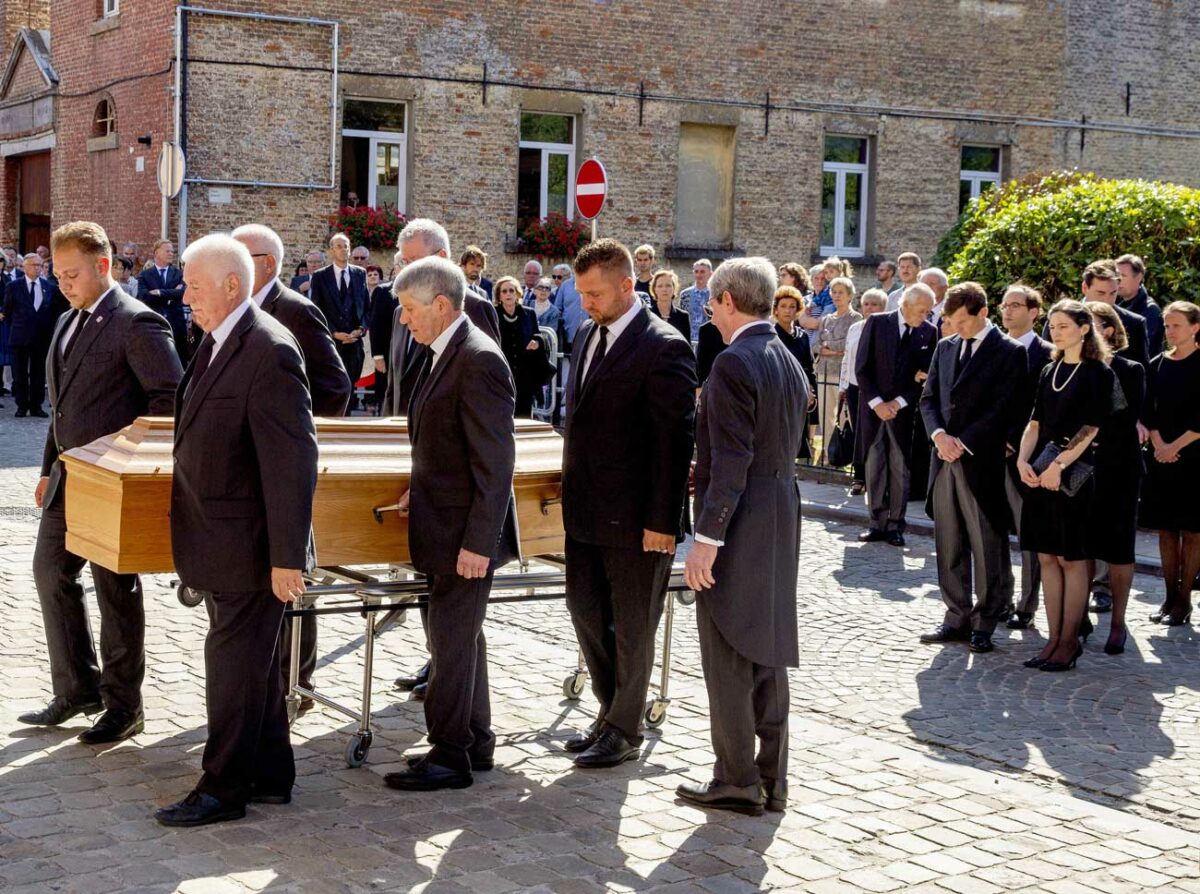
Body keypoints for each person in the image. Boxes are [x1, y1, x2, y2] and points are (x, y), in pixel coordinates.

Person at [157, 233, 318, 827]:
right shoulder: (217, 339)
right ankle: (271, 773)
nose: (185, 296)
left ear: (231, 285)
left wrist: (286, 558)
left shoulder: (269, 349)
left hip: (251, 548)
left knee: (233, 666)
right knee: (251, 663)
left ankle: (222, 788)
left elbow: (292, 461)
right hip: (219, 539)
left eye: (194, 286)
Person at [18, 221, 182, 743]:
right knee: (50, 573)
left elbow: (168, 402)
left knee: (115, 589)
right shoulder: (68, 321)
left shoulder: (138, 323)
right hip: (69, 479)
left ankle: (123, 703)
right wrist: (48, 468)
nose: (63, 283)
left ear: (104, 267)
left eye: (72, 274)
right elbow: (62, 408)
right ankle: (76, 689)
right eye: (58, 274)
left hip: (114, 484)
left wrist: (126, 463)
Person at [677, 257, 808, 817]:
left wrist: (706, 538)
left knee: (729, 647)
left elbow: (733, 459)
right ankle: (772, 779)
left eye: (712, 300)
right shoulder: (784, 354)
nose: (708, 308)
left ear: (729, 300)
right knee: (768, 646)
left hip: (742, 516)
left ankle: (735, 778)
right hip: (780, 510)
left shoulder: (734, 360)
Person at [381, 256, 517, 792]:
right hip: (443, 526)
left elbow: (495, 462)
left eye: (410, 310)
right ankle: (474, 740)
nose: (404, 321)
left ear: (441, 305)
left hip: (465, 538)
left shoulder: (479, 359)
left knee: (451, 644)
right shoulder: (442, 353)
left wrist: (479, 542)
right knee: (460, 640)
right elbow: (445, 441)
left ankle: (449, 755)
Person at [561, 238, 696, 768]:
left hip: (640, 518)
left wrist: (662, 520)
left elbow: (673, 439)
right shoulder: (586, 334)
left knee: (635, 624)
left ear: (625, 285)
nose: (586, 303)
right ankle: (612, 709)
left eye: (594, 294)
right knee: (584, 610)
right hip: (586, 510)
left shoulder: (664, 345)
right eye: (581, 294)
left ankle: (624, 727)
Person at [384, 219, 502, 698]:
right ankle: (462, 720)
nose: (404, 316)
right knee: (447, 622)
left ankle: (455, 732)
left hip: (463, 516)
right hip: (433, 495)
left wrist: (480, 539)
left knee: (459, 628)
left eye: (415, 264)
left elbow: (490, 448)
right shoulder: (424, 327)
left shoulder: (473, 337)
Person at [918, 282, 1026, 652]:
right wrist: (939, 437)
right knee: (948, 542)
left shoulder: (1009, 352)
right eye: (951, 321)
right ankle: (956, 615)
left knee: (987, 544)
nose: (956, 328)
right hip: (944, 458)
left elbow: (1006, 408)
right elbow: (929, 398)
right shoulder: (945, 347)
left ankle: (986, 619)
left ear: (982, 313)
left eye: (963, 321)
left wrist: (962, 442)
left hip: (982, 461)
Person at [1016, 300, 1115, 672]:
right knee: (1046, 556)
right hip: (1042, 471)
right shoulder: (1048, 370)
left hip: (1076, 474)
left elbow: (1091, 429)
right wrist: (1023, 460)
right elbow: (1035, 423)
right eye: (1053, 327)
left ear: (1084, 329)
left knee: (1072, 559)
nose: (1055, 332)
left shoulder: (1097, 374)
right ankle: (1052, 639)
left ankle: (1070, 641)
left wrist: (1058, 465)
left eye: (1063, 326)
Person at [382, 219, 501, 420]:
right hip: (400, 435)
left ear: (441, 257)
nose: (406, 269)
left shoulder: (474, 308)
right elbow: (394, 383)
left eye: (413, 262)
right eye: (404, 262)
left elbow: (486, 388)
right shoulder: (401, 312)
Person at [231, 225, 351, 418]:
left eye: (239, 259)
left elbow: (335, 387)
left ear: (268, 263)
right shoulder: (237, 307)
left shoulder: (298, 312)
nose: (231, 268)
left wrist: (299, 436)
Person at [854, 284, 937, 546]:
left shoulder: (929, 332)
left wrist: (899, 403)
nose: (925, 316)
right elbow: (862, 368)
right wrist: (878, 403)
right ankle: (876, 522)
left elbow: (925, 377)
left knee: (900, 468)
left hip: (903, 413)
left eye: (928, 311)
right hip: (873, 411)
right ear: (906, 304)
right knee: (875, 465)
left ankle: (895, 526)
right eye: (922, 310)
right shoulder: (877, 323)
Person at [1086, 302, 1145, 654]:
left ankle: (1119, 622)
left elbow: (1124, 420)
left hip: (1120, 470)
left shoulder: (1131, 369)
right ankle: (1077, 619)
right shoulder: (1074, 366)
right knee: (1081, 547)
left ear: (1108, 329)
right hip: (1081, 470)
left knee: (1119, 549)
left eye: (1089, 323)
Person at [1140, 301, 1200, 627]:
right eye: (1166, 325)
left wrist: (1174, 446)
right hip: (1162, 456)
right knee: (1166, 529)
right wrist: (1160, 444)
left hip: (1194, 457)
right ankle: (1167, 596)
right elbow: (1148, 410)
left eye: (1177, 325)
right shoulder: (1156, 364)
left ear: (1195, 327)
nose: (1170, 331)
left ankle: (1185, 599)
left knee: (1192, 531)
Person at [999, 284, 1054, 630]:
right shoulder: (993, 348)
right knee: (993, 532)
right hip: (987, 454)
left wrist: (1014, 443)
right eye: (1004, 305)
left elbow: (1041, 409)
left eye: (1016, 305)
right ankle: (999, 598)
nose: (1007, 311)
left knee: (1029, 534)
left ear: (1034, 313)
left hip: (1027, 458)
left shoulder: (1049, 353)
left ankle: (1027, 603)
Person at [309, 234, 368, 414]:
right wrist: (334, 333)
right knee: (333, 387)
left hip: (354, 343)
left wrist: (360, 330)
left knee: (350, 386)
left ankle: (347, 426)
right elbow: (316, 310)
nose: (344, 249)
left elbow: (365, 306)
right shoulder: (320, 276)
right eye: (339, 246)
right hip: (331, 343)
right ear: (331, 250)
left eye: (346, 246)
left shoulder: (360, 274)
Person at [840, 288, 888, 495]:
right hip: (854, 386)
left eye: (874, 304)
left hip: (877, 389)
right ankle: (858, 476)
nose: (869, 307)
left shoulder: (888, 328)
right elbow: (847, 358)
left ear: (884, 307)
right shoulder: (855, 328)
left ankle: (876, 476)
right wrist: (843, 386)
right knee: (858, 431)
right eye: (866, 303)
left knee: (875, 433)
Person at [2, 253, 63, 417]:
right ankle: (21, 405)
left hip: (41, 337)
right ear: (25, 267)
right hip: (20, 336)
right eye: (34, 265)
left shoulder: (48, 286)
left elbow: (54, 310)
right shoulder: (14, 286)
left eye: (39, 265)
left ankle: (36, 406)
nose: (38, 268)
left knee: (38, 373)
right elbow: (8, 311)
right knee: (19, 373)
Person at [815, 277, 861, 463]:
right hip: (823, 370)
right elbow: (816, 344)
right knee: (825, 413)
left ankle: (841, 451)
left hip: (842, 373)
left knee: (842, 413)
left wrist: (830, 347)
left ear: (849, 295)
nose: (836, 296)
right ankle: (827, 452)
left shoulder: (855, 318)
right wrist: (831, 348)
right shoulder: (826, 319)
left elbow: (849, 344)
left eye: (841, 292)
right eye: (834, 292)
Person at [773, 286, 818, 460]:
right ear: (776, 309)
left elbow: (809, 368)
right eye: (783, 306)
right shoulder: (772, 335)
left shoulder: (803, 336)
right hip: (780, 397)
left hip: (801, 397)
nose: (787, 310)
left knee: (796, 445)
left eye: (792, 306)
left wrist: (811, 394)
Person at [495, 273, 545, 417]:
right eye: (504, 291)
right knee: (503, 415)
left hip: (525, 375)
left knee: (523, 416)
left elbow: (537, 335)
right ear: (499, 296)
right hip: (503, 373)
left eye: (511, 290)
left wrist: (537, 342)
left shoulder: (529, 314)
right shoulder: (494, 314)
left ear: (518, 293)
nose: (508, 294)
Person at [137, 239, 190, 362]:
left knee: (179, 362)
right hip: (154, 325)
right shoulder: (145, 275)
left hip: (176, 326)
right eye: (167, 251)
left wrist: (160, 292)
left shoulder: (179, 274)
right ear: (156, 253)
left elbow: (182, 293)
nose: (171, 254)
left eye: (172, 251)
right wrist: (170, 295)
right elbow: (144, 297)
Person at [1116, 253, 1163, 355]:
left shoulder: (1150, 310)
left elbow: (1145, 350)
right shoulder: (1116, 304)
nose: (1118, 280)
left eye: (1123, 276)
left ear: (1139, 277)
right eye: (1116, 276)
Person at [367, 265, 398, 414]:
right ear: (396, 267)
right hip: (387, 351)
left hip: (411, 352)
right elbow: (376, 325)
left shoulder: (421, 289)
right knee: (386, 395)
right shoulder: (383, 291)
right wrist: (378, 356)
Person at [648, 269, 691, 342]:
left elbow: (687, 346)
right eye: (660, 286)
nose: (664, 289)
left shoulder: (683, 317)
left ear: (674, 288)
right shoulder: (647, 314)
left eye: (668, 285)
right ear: (654, 289)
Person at [681, 259, 713, 344]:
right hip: (689, 340)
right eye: (696, 271)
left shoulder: (715, 295)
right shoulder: (685, 295)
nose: (699, 274)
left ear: (710, 274)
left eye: (702, 272)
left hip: (709, 340)